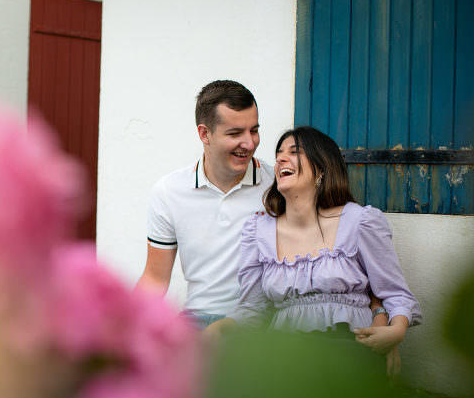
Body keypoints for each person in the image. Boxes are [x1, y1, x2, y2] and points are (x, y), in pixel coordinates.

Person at [206, 126, 422, 375]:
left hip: (351, 355)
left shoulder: (360, 221)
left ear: (321, 167)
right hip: (285, 358)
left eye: (294, 151)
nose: (280, 159)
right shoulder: (258, 230)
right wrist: (219, 327)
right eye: (278, 154)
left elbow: (395, 294)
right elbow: (252, 308)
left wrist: (395, 332)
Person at [136, 80, 274, 328]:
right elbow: (155, 279)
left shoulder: (277, 185)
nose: (250, 143)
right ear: (204, 134)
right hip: (196, 321)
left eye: (254, 130)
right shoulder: (169, 192)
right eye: (235, 133)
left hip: (260, 322)